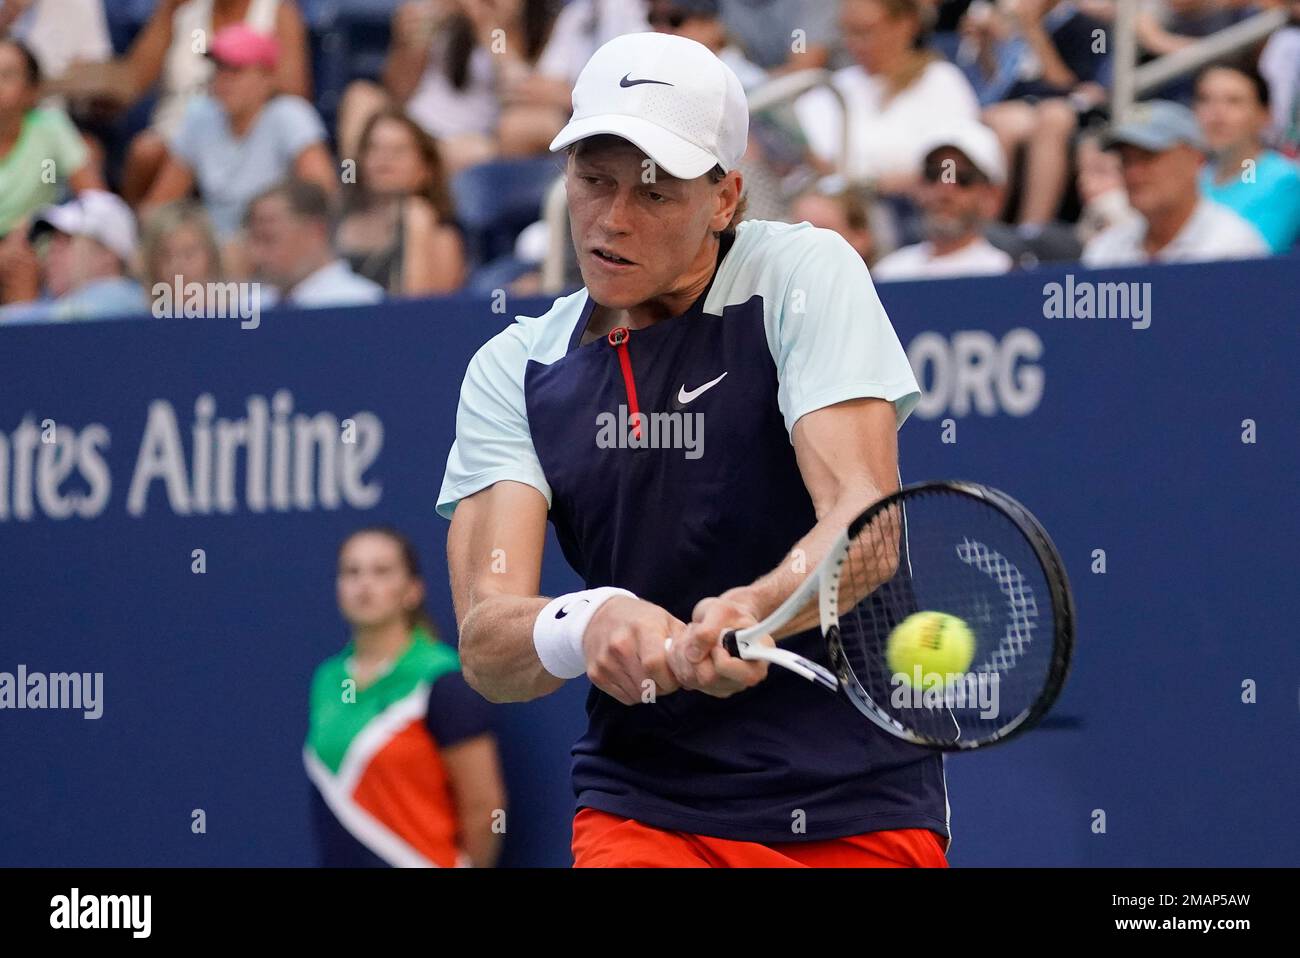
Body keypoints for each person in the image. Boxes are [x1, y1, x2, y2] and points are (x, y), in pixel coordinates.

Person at [439, 33, 947, 868]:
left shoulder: (802, 273)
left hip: (854, 801)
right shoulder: (514, 368)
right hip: (644, 808)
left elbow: (868, 524)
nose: (611, 220)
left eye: (656, 193)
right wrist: (586, 619)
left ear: (725, 199)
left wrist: (756, 604)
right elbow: (490, 643)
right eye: (592, 181)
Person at [305, 527, 505, 868]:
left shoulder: (442, 680)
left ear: (412, 591)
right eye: (351, 572)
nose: (364, 585)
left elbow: (484, 805)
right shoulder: (328, 679)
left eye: (381, 571)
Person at [49, 0, 311, 206]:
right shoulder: (180, 10)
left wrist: (238, 92)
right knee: (147, 152)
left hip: (249, 130)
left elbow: (295, 92)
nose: (224, 74)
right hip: (182, 128)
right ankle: (139, 245)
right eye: (221, 67)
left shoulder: (279, 11)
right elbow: (132, 84)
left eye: (233, 68)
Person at [141, 24, 334, 260]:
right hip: (214, 253)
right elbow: (159, 205)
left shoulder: (290, 115)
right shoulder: (200, 117)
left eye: (236, 70)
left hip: (273, 248)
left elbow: (322, 195)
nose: (224, 80)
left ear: (267, 77)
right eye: (219, 69)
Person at [794, 0, 980, 192]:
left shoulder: (941, 80)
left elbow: (953, 165)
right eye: (846, 31)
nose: (853, 43)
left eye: (864, 32)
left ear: (906, 24)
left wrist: (869, 183)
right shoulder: (834, 86)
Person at [973, 0, 1111, 227]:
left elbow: (1068, 85)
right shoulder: (1014, 31)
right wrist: (985, 46)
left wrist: (1032, 28)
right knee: (1000, 120)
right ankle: (984, 226)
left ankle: (1033, 228)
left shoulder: (1088, 26)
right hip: (1023, 107)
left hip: (1067, 110)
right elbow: (1002, 87)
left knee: (1052, 117)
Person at [1083, 99, 1269, 266]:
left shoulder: (1234, 247)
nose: (1133, 172)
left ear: (1195, 159)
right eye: (1126, 160)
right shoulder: (1106, 248)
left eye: (1149, 156)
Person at [334, 108, 466, 296]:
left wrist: (416, 226)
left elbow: (422, 309)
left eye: (399, 151)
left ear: (425, 170)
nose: (385, 158)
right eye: (374, 148)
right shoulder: (336, 217)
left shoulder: (443, 237)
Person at [872, 121, 1014, 279]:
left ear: (991, 195)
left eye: (963, 178)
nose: (945, 190)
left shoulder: (1004, 272)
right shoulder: (888, 272)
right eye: (933, 175)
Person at [0, 38, 102, 238]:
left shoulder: (50, 130)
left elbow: (95, 201)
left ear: (32, 90)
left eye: (7, 76)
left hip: (33, 248)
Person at [1194, 61, 1300, 253]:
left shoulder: (1286, 180)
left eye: (1234, 101)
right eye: (1205, 99)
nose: (1217, 114)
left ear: (1264, 114)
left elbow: (1248, 257)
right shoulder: (1191, 179)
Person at [0, 189, 147, 323]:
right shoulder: (53, 302)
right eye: (53, 240)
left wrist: (22, 305)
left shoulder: (121, 296)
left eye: (67, 240)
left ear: (107, 255)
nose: (53, 250)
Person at [245, 179, 385, 309]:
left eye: (268, 239)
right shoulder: (249, 308)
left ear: (316, 232)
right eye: (253, 241)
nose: (256, 255)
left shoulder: (362, 303)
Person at [140, 199, 225, 314]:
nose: (177, 266)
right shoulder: (136, 318)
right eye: (167, 256)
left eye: (189, 254)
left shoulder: (241, 313)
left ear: (212, 256)